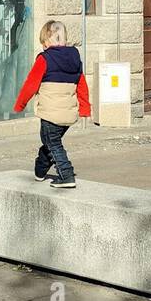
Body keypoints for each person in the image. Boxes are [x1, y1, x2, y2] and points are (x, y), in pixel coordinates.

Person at [13, 20, 91, 188]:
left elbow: (30, 84)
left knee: (52, 143)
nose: (43, 46)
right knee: (50, 141)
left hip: (50, 113)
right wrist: (85, 109)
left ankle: (66, 175)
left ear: (48, 41)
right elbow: (82, 85)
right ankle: (40, 170)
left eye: (43, 42)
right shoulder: (75, 58)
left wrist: (20, 104)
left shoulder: (44, 59)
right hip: (69, 114)